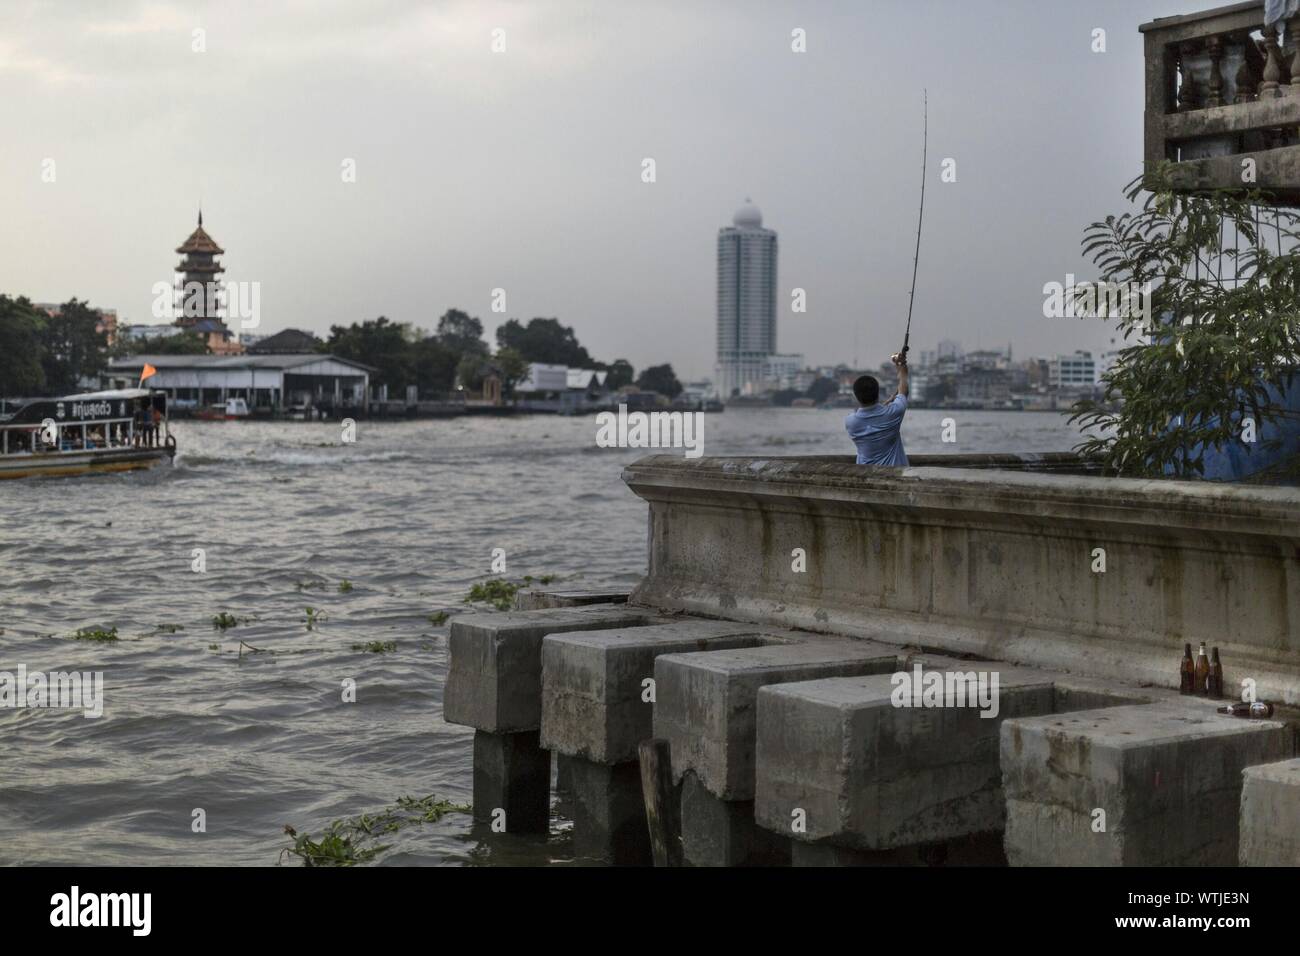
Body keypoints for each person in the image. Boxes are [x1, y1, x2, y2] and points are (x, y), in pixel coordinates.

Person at [845, 352, 909, 466]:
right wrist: (902, 368)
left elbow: (872, 419)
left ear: (856, 396)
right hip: (895, 476)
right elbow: (903, 389)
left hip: (867, 476)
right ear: (878, 393)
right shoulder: (894, 412)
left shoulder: (851, 422)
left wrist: (886, 404)